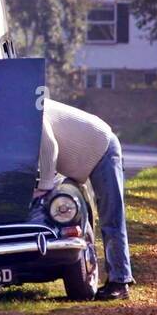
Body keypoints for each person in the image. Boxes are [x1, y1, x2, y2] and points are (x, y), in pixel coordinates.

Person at [36, 99, 134, 300]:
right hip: (82, 158)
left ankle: (120, 281)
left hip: (102, 147)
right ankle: (111, 276)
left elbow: (49, 149)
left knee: (111, 218)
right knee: (90, 217)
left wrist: (43, 188)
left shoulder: (31, 110)